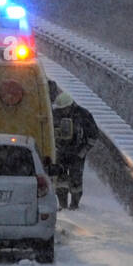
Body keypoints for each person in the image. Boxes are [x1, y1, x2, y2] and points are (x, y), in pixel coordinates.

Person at [49, 81, 100, 210]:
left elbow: (93, 134)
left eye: (64, 109)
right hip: (60, 151)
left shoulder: (83, 115)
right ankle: (62, 203)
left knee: (76, 179)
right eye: (60, 110)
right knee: (60, 179)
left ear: (70, 106)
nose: (63, 112)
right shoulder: (55, 114)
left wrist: (83, 151)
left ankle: (75, 204)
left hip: (77, 152)